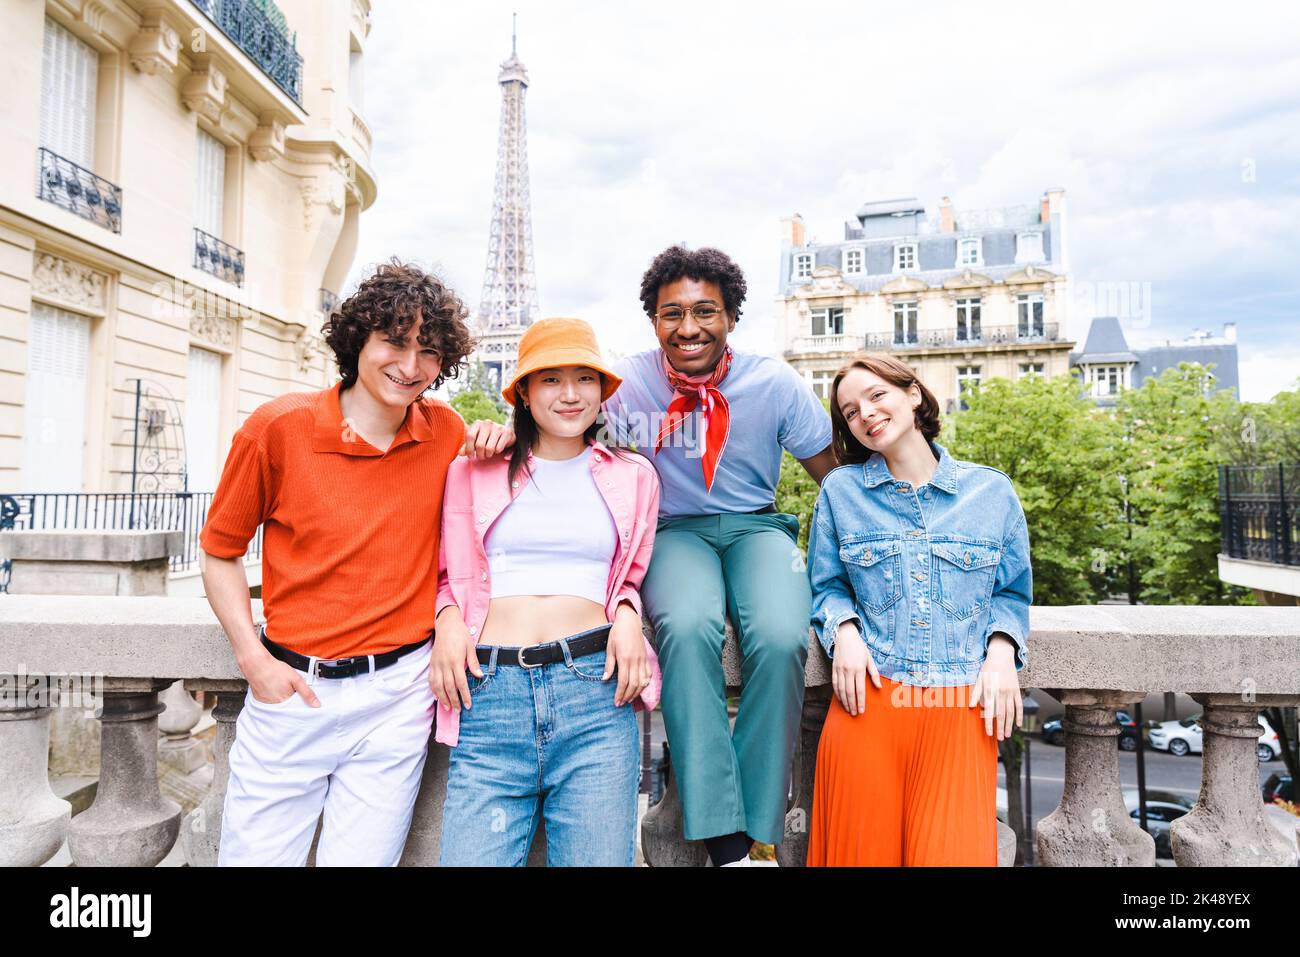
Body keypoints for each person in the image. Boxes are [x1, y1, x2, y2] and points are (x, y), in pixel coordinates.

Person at [199, 261, 477, 866]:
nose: (410, 367)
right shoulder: (277, 429)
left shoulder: (450, 433)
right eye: (395, 342)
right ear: (359, 341)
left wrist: (499, 437)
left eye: (429, 352)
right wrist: (252, 659)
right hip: (293, 692)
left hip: (399, 699)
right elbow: (220, 552)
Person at [430, 317, 662, 867]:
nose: (570, 394)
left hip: (594, 696)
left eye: (585, 378)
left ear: (602, 392)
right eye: (550, 379)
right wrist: (446, 620)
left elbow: (629, 576)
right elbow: (444, 573)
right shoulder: (470, 470)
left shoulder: (635, 476)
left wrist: (627, 612)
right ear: (524, 394)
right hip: (487, 695)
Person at [806, 352, 1032, 866]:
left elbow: (1012, 593)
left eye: (876, 395)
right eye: (849, 411)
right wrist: (844, 633)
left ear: (912, 394)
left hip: (959, 711)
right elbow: (826, 588)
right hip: (868, 704)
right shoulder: (841, 492)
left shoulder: (991, 492)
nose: (864, 413)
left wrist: (1001, 656)